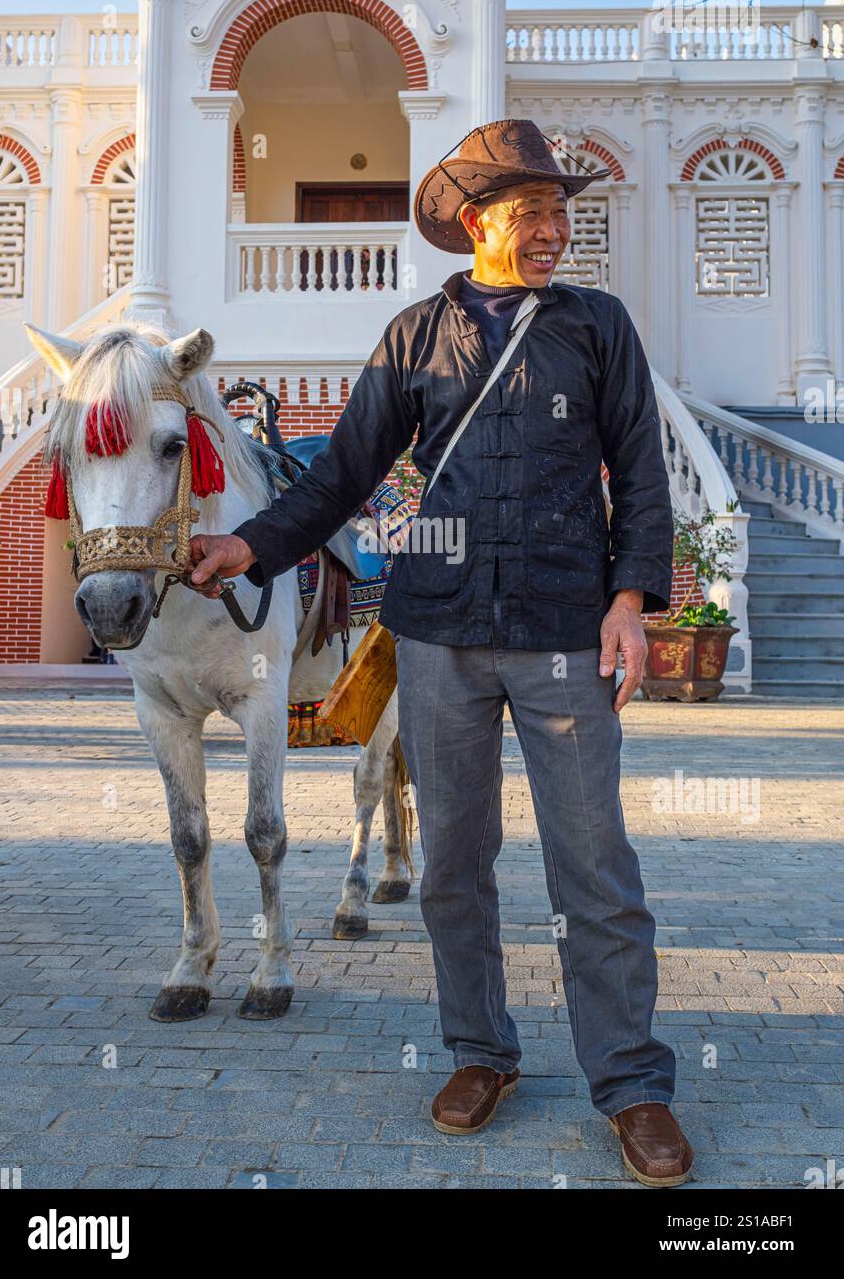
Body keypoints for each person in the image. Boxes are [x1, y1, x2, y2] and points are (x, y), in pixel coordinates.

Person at [188, 120, 693, 1187]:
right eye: (531, 214)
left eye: (563, 213)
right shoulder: (414, 334)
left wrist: (630, 600)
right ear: (476, 225)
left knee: (592, 867)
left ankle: (632, 1081)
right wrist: (248, 544)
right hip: (438, 633)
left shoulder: (597, 327)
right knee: (453, 867)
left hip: (563, 633)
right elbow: (341, 478)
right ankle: (478, 1051)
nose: (555, 230)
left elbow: (640, 474)